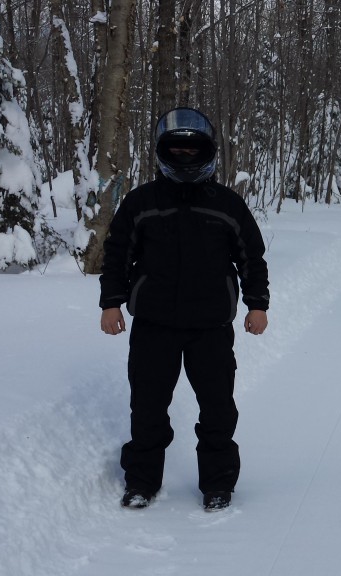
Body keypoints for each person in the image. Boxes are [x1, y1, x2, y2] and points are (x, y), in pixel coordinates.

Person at [99, 107, 270, 512]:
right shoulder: (141, 201)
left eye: (193, 150)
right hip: (154, 324)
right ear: (163, 152)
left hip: (211, 327)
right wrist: (111, 303)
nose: (185, 156)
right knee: (147, 408)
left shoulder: (227, 204)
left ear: (208, 152)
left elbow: (252, 257)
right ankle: (141, 481)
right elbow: (117, 254)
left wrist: (257, 305)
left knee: (217, 408)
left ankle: (218, 483)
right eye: (177, 150)